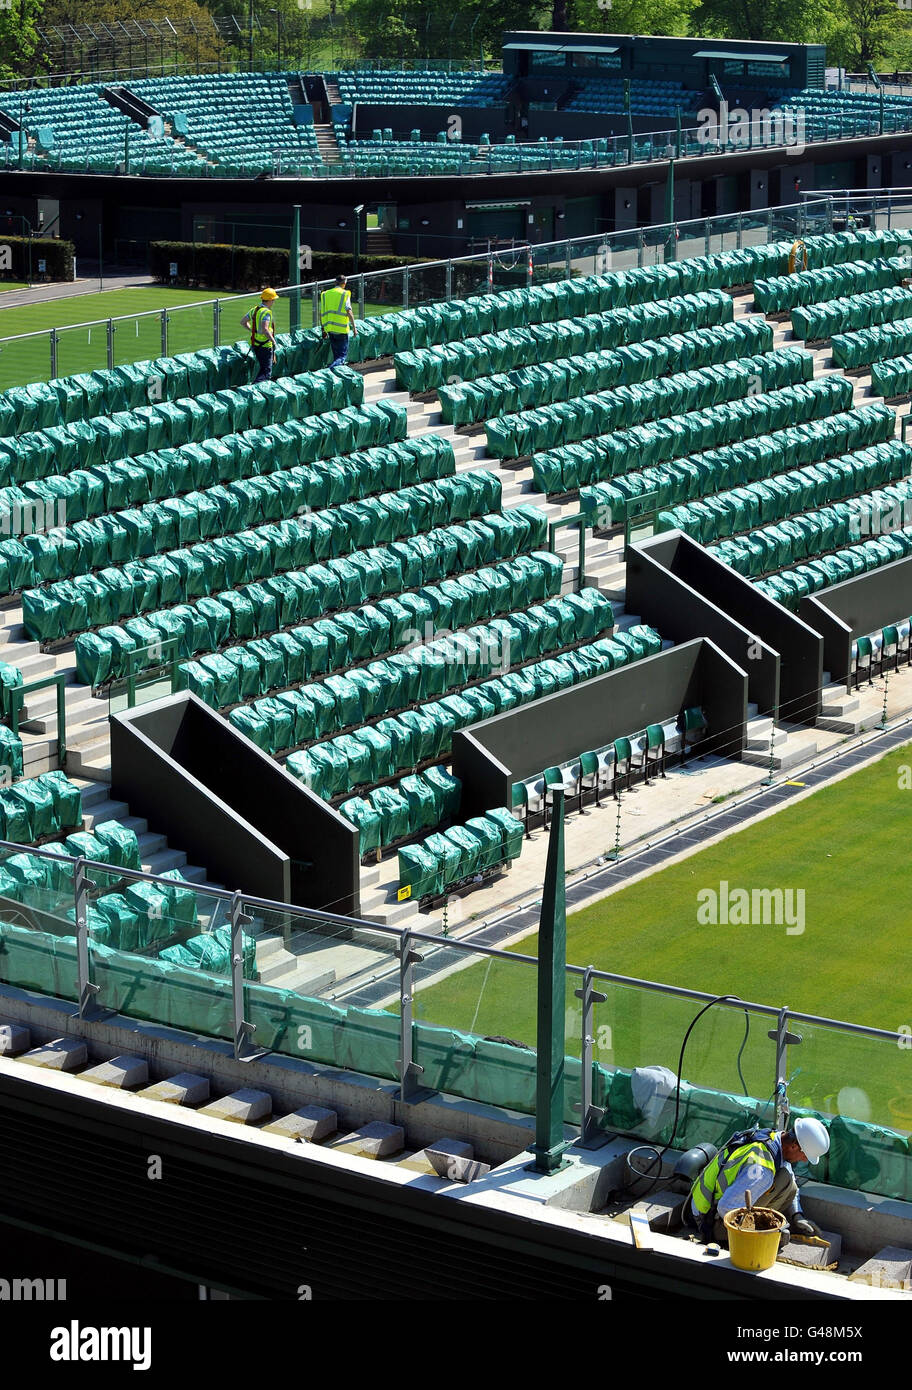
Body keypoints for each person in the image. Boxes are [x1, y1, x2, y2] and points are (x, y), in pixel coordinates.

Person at [686, 1117, 830, 1245]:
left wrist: (797, 1215)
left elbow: (791, 1180)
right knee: (783, 1182)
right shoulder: (762, 1169)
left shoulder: (773, 1139)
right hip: (711, 1221)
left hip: (710, 1208)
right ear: (794, 1146)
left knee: (788, 1183)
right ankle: (735, 1238)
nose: (804, 1160)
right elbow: (726, 1207)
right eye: (805, 1155)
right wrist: (763, 1233)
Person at [320, 273, 357, 369]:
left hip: (330, 330)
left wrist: (323, 329)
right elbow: (349, 311)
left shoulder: (325, 294)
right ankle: (330, 372)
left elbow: (322, 313)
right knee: (341, 357)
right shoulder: (345, 294)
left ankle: (334, 373)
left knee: (336, 356)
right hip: (341, 330)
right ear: (344, 284)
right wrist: (354, 328)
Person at [241, 287, 278, 383]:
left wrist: (254, 331)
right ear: (269, 300)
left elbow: (243, 322)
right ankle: (256, 390)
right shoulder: (266, 312)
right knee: (266, 372)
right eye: (273, 300)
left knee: (262, 369)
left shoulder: (255, 309)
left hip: (255, 344)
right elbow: (265, 329)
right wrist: (274, 342)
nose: (273, 302)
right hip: (265, 345)